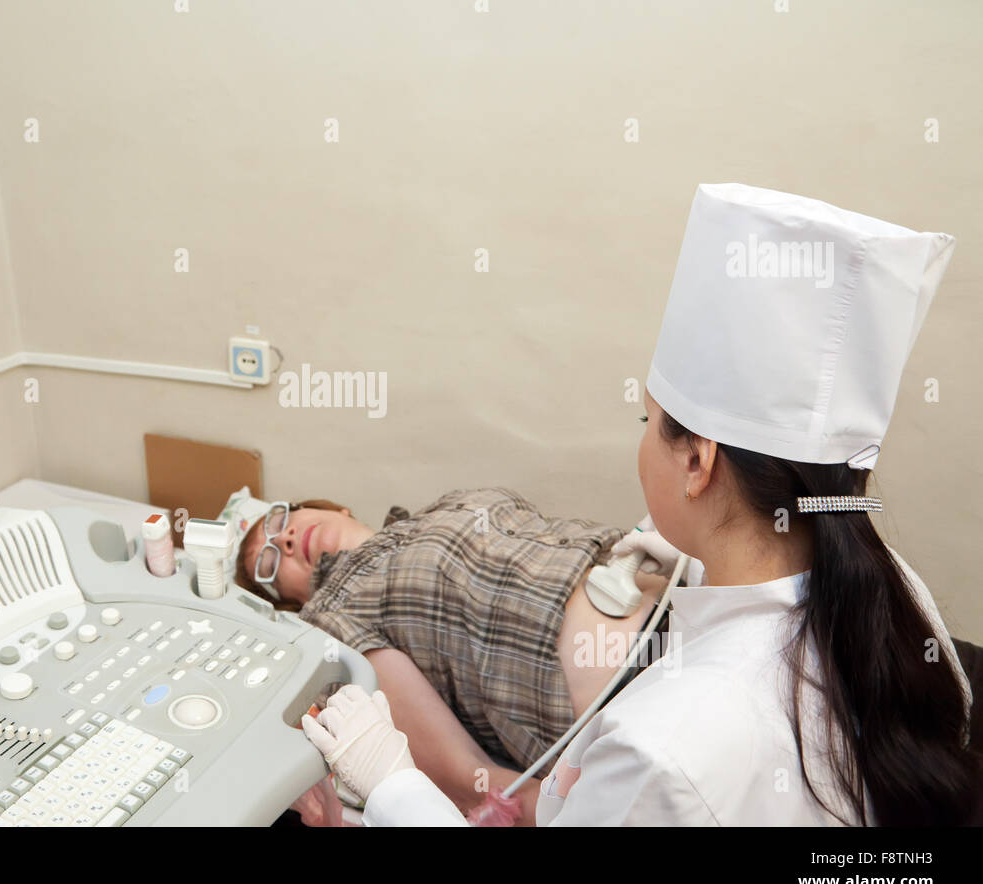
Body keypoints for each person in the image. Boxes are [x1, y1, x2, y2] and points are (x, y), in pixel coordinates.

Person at [302, 183, 980, 826]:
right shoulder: (892, 593)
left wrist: (391, 782)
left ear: (698, 461)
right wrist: (697, 568)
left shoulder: (662, 753)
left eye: (645, 421)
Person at [225, 487, 682, 823]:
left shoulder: (444, 504)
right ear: (284, 602)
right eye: (267, 563)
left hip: (694, 593)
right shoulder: (332, 629)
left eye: (280, 520)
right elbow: (469, 781)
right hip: (642, 702)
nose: (283, 540)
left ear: (331, 507)